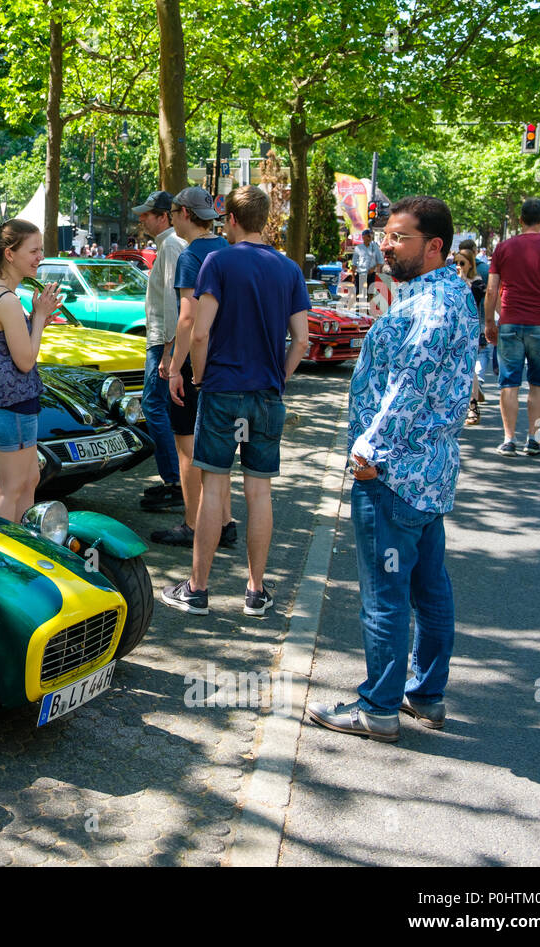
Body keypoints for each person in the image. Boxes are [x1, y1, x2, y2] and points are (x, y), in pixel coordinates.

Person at [306, 196, 477, 743]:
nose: (386, 243)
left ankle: (378, 707)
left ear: (434, 247)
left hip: (396, 476)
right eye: (386, 234)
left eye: (399, 237)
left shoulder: (429, 306)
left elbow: (408, 390)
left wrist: (368, 455)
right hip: (430, 474)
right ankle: (425, 695)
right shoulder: (447, 294)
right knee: (430, 589)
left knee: (385, 594)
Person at [159, 186, 310, 616]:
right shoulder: (289, 269)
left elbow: (200, 330)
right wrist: (279, 377)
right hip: (266, 392)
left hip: (223, 388)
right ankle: (256, 592)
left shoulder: (217, 261)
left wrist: (200, 375)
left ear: (230, 218)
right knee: (259, 492)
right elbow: (301, 338)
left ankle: (198, 589)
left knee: (213, 489)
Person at [158, 186, 233, 549]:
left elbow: (187, 319)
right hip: (226, 360)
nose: (170, 218)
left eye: (172, 212)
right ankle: (225, 521)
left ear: (185, 213)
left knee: (186, 446)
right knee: (218, 447)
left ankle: (192, 523)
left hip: (196, 362)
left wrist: (174, 366)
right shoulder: (226, 250)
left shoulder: (191, 256)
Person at [0, 219, 60, 522]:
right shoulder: (7, 299)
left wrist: (36, 322)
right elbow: (26, 361)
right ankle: (4, 554)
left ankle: (21, 547)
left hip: (8, 402)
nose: (40, 257)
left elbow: (13, 347)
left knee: (27, 481)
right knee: (12, 487)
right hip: (9, 404)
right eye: (34, 250)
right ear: (10, 254)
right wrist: (38, 318)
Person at [481, 198, 540, 456]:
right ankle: (533, 438)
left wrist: (490, 321)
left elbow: (491, 289)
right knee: (538, 383)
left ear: (519, 220)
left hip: (510, 321)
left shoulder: (503, 248)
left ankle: (509, 439)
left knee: (508, 383)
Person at [133, 189, 185, 511]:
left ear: (163, 216)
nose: (142, 219)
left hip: (163, 341)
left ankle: (176, 481)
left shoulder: (170, 247)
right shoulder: (170, 246)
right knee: (162, 407)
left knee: (153, 406)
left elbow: (172, 303)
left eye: (147, 214)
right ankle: (176, 480)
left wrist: (168, 351)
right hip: (164, 340)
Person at [455, 252, 488, 425]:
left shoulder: (477, 282)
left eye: (462, 262)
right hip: (454, 328)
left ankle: (472, 405)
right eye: (456, 262)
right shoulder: (453, 280)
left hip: (471, 329)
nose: (458, 265)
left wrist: (462, 278)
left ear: (470, 264)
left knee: (469, 366)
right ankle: (471, 396)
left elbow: (472, 299)